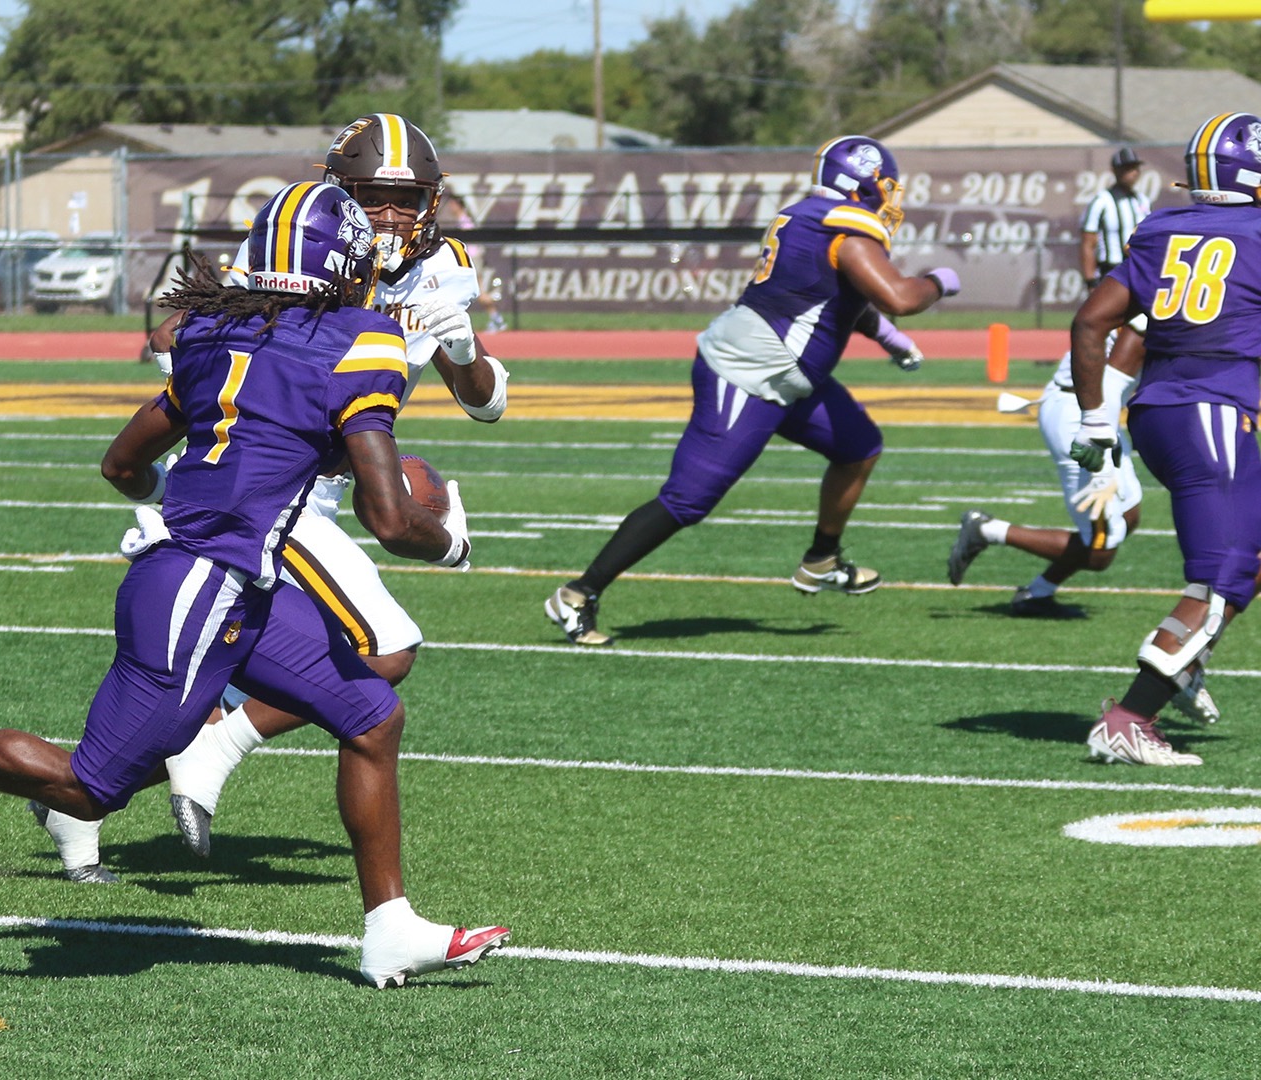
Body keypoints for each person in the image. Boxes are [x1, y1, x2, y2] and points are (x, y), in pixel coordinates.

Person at [0, 181, 509, 988]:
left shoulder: (213, 330)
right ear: (344, 265)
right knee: (89, 788)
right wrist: (447, 540)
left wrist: (191, 502)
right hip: (198, 590)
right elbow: (388, 517)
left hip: (226, 577)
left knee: (371, 712)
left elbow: (122, 464)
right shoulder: (363, 343)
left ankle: (390, 928)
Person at [135, 114, 508, 857]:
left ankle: (83, 791)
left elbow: (487, 402)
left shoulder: (446, 263)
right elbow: (172, 346)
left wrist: (463, 346)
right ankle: (210, 750)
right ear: (340, 193)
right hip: (265, 485)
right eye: (373, 197)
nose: (392, 216)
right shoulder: (300, 244)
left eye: (408, 199)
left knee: (219, 669)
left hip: (319, 491)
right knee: (384, 650)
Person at [543, 135, 957, 646]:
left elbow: (838, 296)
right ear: (862, 182)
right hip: (747, 371)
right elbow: (897, 294)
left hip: (787, 373)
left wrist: (889, 339)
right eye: (884, 187)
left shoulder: (813, 217)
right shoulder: (843, 228)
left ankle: (821, 559)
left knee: (858, 447)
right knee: (687, 500)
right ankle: (578, 594)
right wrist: (940, 280)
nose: (889, 199)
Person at [1071, 112, 1261, 766]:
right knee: (1225, 571)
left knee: (1252, 557)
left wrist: (1097, 419)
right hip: (1211, 412)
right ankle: (1129, 718)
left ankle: (1185, 657)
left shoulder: (1162, 228)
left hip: (1158, 412)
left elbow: (1091, 320)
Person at [946, 320, 1160, 618]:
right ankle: (986, 530)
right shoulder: (1150, 312)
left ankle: (1037, 593)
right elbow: (1109, 386)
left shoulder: (1158, 294)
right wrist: (1100, 464)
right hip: (1084, 415)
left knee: (1129, 515)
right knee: (1100, 550)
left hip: (1091, 408)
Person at [1080, 148, 1150, 291]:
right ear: (1116, 171)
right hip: (1111, 271)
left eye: (1135, 167)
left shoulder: (1142, 200)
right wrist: (1090, 281)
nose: (1134, 172)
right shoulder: (1102, 201)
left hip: (1138, 270)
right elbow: (1088, 243)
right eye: (1128, 168)